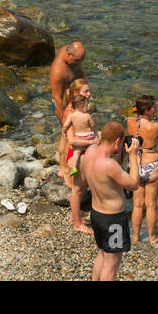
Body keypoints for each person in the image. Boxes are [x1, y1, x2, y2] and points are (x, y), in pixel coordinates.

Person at [80, 122, 140, 281]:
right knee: (112, 263)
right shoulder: (109, 165)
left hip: (97, 214)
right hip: (113, 220)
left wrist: (122, 154)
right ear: (118, 141)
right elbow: (134, 184)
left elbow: (109, 175)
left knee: (103, 253)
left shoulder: (91, 151)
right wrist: (133, 156)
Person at [58, 79, 94, 234]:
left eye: (88, 91)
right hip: (75, 155)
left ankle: (75, 216)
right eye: (85, 91)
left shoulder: (78, 111)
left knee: (82, 186)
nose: (89, 94)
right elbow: (68, 142)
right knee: (78, 189)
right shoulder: (71, 113)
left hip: (81, 153)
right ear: (75, 94)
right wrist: (66, 168)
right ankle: (77, 223)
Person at [126, 95, 158, 245]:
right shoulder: (156, 126)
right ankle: (152, 237)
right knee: (151, 204)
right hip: (152, 164)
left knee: (137, 204)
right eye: (153, 106)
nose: (155, 109)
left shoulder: (129, 122)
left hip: (136, 165)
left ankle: (135, 236)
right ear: (147, 110)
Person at [48, 41, 87, 116]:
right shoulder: (57, 72)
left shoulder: (69, 50)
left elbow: (81, 73)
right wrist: (64, 121)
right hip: (61, 100)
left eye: (81, 61)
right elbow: (56, 99)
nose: (79, 64)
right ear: (69, 55)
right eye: (77, 61)